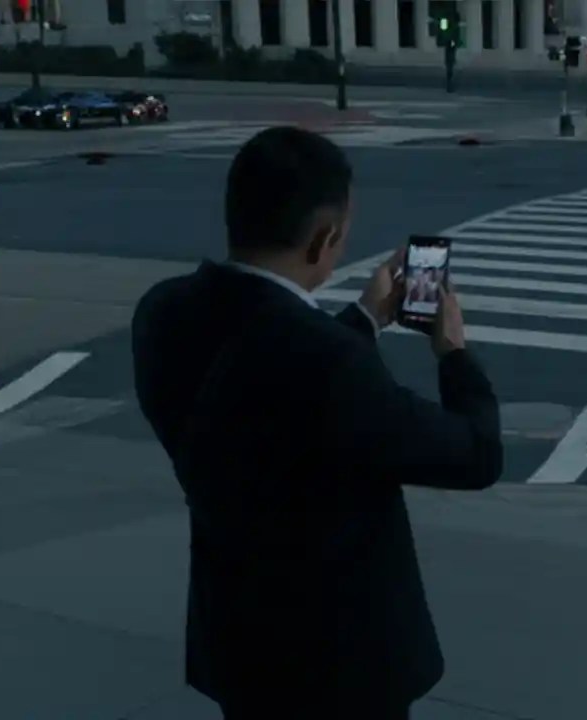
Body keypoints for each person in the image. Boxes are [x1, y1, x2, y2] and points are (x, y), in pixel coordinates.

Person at [131, 126, 503, 720]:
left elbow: (266, 382)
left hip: (238, 644)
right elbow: (477, 454)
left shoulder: (163, 312)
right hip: (340, 668)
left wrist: (361, 319)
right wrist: (453, 350)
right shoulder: (330, 364)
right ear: (324, 239)